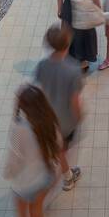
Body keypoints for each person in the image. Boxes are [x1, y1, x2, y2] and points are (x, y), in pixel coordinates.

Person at [4, 83, 66, 217]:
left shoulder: (18, 129)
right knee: (37, 210)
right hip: (45, 177)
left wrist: (7, 173)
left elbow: (13, 160)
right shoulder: (50, 122)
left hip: (24, 183)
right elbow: (59, 145)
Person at [34, 24, 83, 190]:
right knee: (62, 148)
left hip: (47, 117)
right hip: (65, 121)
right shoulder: (74, 70)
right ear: (67, 44)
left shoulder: (41, 66)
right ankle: (67, 177)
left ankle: (63, 169)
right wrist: (79, 118)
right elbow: (75, 101)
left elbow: (38, 91)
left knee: (56, 146)